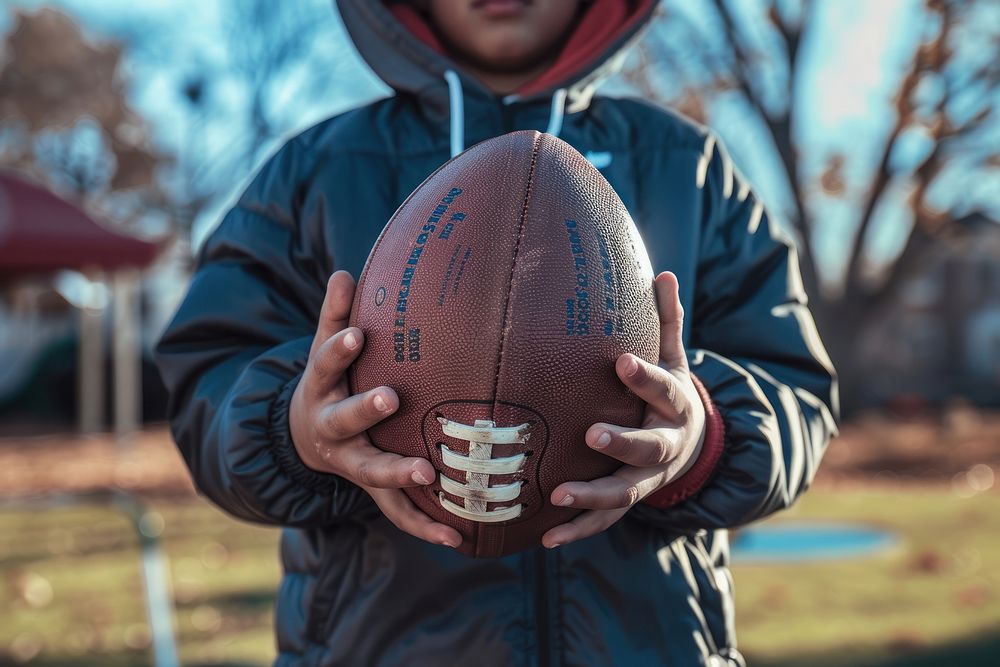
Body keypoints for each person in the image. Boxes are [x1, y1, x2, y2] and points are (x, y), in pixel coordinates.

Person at [156, 0, 839, 664]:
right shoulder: (321, 168)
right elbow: (205, 376)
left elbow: (796, 390)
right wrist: (293, 426)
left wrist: (702, 436)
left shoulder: (687, 167)